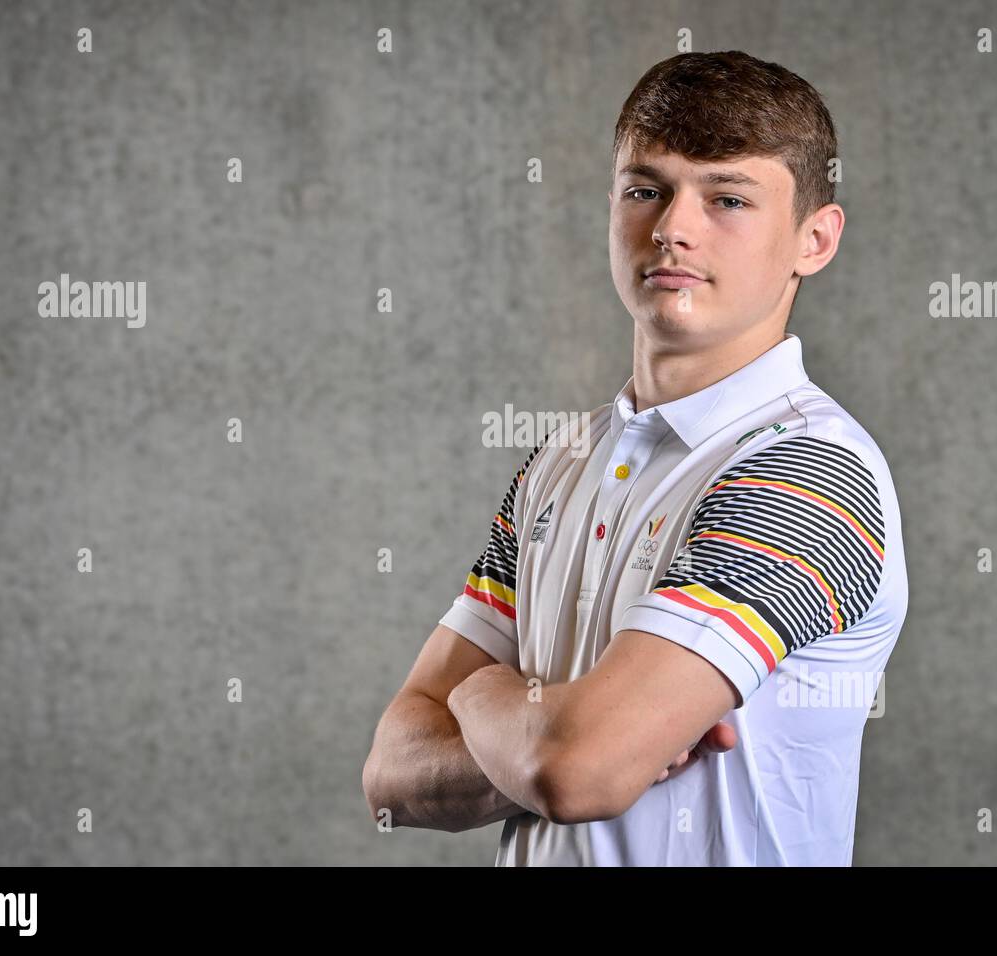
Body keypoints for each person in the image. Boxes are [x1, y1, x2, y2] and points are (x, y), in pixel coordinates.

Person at [363, 50, 909, 866]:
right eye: (645, 190)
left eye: (727, 198)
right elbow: (392, 773)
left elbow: (581, 770)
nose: (673, 229)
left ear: (814, 240)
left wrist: (481, 698)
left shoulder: (807, 468)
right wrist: (534, 729)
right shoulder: (560, 462)